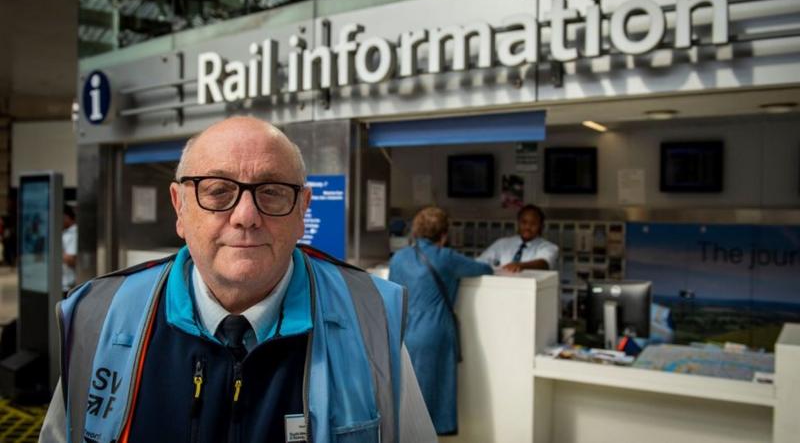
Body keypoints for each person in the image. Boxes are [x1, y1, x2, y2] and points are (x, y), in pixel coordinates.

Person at [39, 117, 436, 443]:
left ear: (302, 210)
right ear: (180, 206)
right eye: (217, 191)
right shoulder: (98, 315)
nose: (246, 215)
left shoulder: (371, 317)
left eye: (273, 192)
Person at [388, 206, 492, 435]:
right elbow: (484, 268)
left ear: (415, 231)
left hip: (404, 334)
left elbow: (394, 296)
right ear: (444, 235)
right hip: (434, 334)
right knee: (432, 400)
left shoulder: (399, 258)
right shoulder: (447, 258)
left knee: (406, 398)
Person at [478, 204, 558, 272]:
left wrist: (521, 265)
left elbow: (543, 263)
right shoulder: (502, 243)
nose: (527, 227)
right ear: (518, 223)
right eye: (524, 222)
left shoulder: (549, 247)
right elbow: (480, 262)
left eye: (533, 224)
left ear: (541, 226)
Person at [62, 205, 78, 293]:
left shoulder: (73, 233)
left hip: (68, 285)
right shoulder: (65, 232)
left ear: (66, 217)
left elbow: (71, 260)